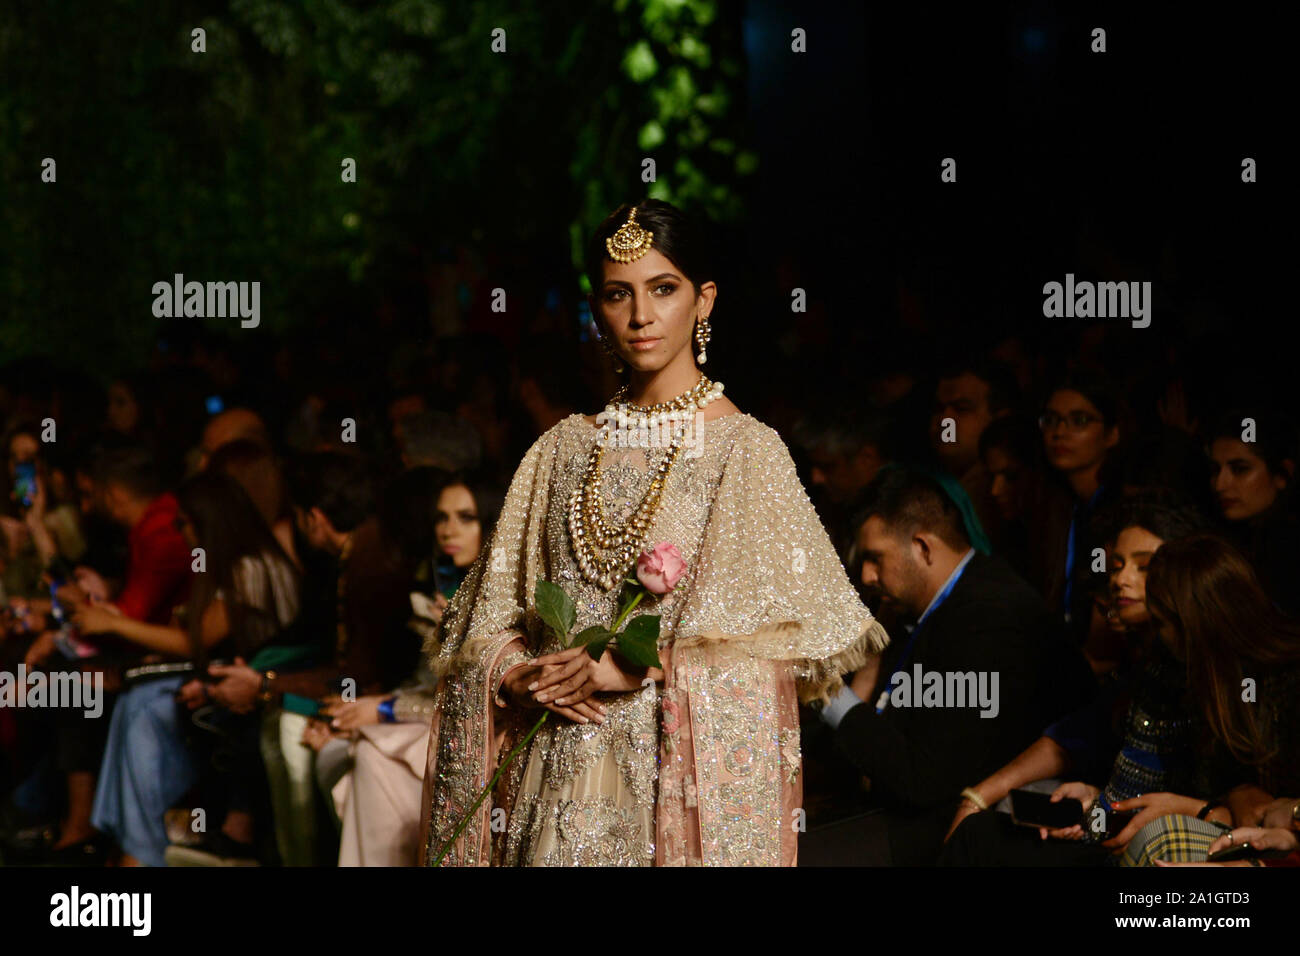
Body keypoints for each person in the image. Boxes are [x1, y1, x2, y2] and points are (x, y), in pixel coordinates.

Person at [419, 199, 888, 866]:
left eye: (663, 290)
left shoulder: (745, 452)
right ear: (596, 310)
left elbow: (764, 660)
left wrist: (627, 668)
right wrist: (514, 675)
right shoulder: (559, 451)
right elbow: (480, 628)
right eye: (619, 294)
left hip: (664, 791)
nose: (641, 316)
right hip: (546, 775)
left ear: (704, 301)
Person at [804, 465, 1091, 865]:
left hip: (969, 822)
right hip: (909, 806)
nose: (866, 576)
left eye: (875, 558)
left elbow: (921, 779)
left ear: (923, 547)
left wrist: (828, 694)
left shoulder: (990, 616)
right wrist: (868, 668)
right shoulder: (918, 610)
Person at [939, 496, 1209, 866]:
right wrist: (978, 796)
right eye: (1116, 565)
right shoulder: (1145, 668)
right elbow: (1073, 736)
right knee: (990, 821)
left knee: (979, 837)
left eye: (1145, 567)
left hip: (1161, 843)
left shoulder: (1203, 668)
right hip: (1108, 824)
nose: (1121, 580)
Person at [82, 470, 299, 866]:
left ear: (208, 521)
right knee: (136, 700)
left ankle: (141, 849)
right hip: (228, 676)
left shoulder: (252, 567)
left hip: (255, 686)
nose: (180, 532)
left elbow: (194, 642)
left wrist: (113, 622)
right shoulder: (234, 563)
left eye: (183, 523)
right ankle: (134, 844)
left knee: (146, 711)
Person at [311, 472, 503, 866]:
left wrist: (382, 710)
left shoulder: (501, 596)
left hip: (476, 732)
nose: (449, 529)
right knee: (333, 740)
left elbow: (471, 698)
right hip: (430, 716)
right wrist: (370, 707)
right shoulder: (446, 585)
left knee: (369, 754)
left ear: (493, 521)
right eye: (441, 517)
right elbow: (423, 682)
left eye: (465, 517)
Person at [1115, 535, 1300, 865]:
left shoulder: (1285, 681)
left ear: (1193, 625)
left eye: (1162, 623)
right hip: (1246, 834)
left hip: (1278, 843)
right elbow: (1208, 785)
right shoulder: (1194, 677)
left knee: (1161, 839)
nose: (1158, 636)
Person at [1205, 410, 1299, 615]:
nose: (1220, 485)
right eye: (1215, 470)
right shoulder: (1232, 542)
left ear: (1282, 474)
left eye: (1240, 469)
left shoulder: (1287, 549)